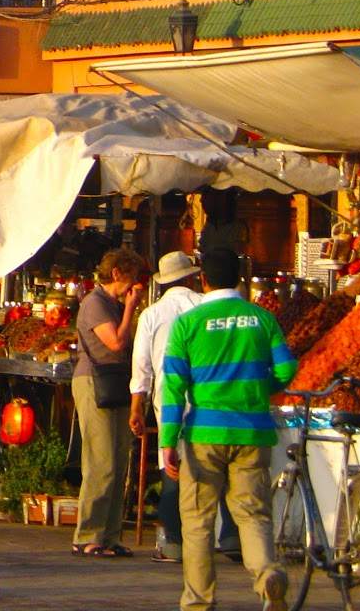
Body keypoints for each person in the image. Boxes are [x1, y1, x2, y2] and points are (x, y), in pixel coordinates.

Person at [160, 248, 296, 611]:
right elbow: (286, 370)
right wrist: (256, 390)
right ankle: (266, 574)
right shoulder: (263, 319)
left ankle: (198, 601)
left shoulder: (188, 323)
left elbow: (172, 386)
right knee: (252, 513)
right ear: (239, 278)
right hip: (252, 433)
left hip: (203, 435)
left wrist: (167, 442)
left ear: (202, 280)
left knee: (198, 521)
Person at [71, 245, 148, 556]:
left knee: (118, 460)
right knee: (101, 461)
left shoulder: (114, 304)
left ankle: (109, 535)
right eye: (132, 277)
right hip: (94, 382)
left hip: (116, 383)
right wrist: (131, 308)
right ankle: (86, 534)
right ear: (117, 274)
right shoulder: (96, 303)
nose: (135, 285)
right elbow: (115, 342)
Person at [130, 251, 204, 562]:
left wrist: (137, 406)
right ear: (190, 277)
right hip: (206, 395)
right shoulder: (204, 306)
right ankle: (219, 537)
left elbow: (141, 366)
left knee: (170, 464)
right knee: (207, 464)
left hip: (167, 398)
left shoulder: (151, 314)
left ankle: (175, 542)